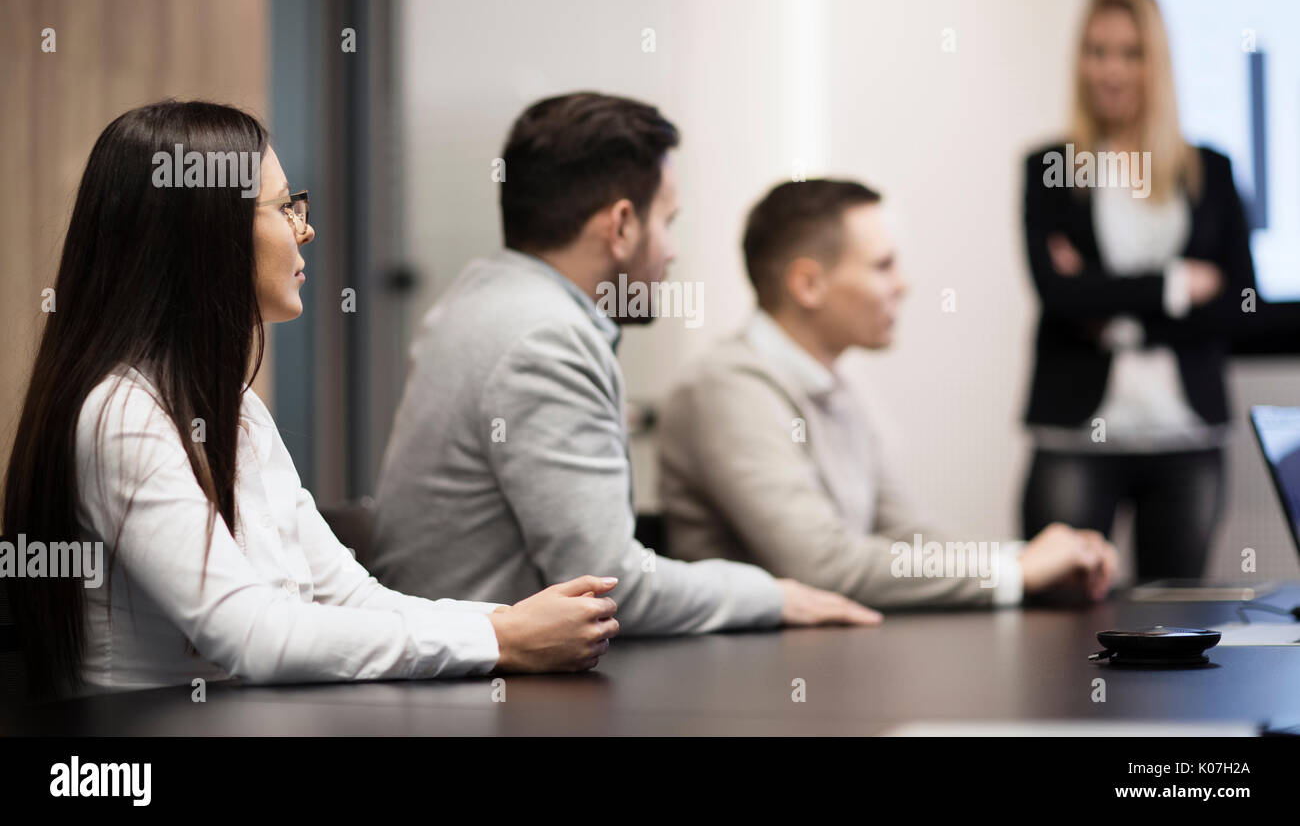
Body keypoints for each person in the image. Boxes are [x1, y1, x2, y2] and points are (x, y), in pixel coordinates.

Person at [1, 100, 618, 700]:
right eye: (282, 208)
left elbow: (353, 599)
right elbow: (257, 638)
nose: (306, 229)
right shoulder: (122, 419)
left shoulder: (235, 411)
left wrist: (516, 621)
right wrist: (498, 637)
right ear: (208, 236)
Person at [370, 92, 879, 633]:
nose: (672, 251)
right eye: (668, 221)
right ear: (620, 227)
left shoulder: (474, 302)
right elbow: (612, 588)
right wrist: (772, 595)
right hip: (488, 699)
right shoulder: (546, 340)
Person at [658, 178, 1118, 608]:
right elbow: (823, 565)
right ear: (807, 284)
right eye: (883, 266)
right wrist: (1013, 572)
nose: (903, 284)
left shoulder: (832, 384)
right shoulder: (725, 390)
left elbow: (903, 533)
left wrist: (1036, 556)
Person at [1020, 0, 1256, 579]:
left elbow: (1237, 304)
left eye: (1130, 53)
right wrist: (1175, 286)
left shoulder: (1210, 171)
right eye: (1097, 52)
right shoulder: (1050, 168)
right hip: (1076, 434)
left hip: (1186, 439)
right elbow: (1057, 295)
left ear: (1158, 62)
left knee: (1170, 632)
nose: (1111, 71)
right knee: (1061, 625)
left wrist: (1107, 303)